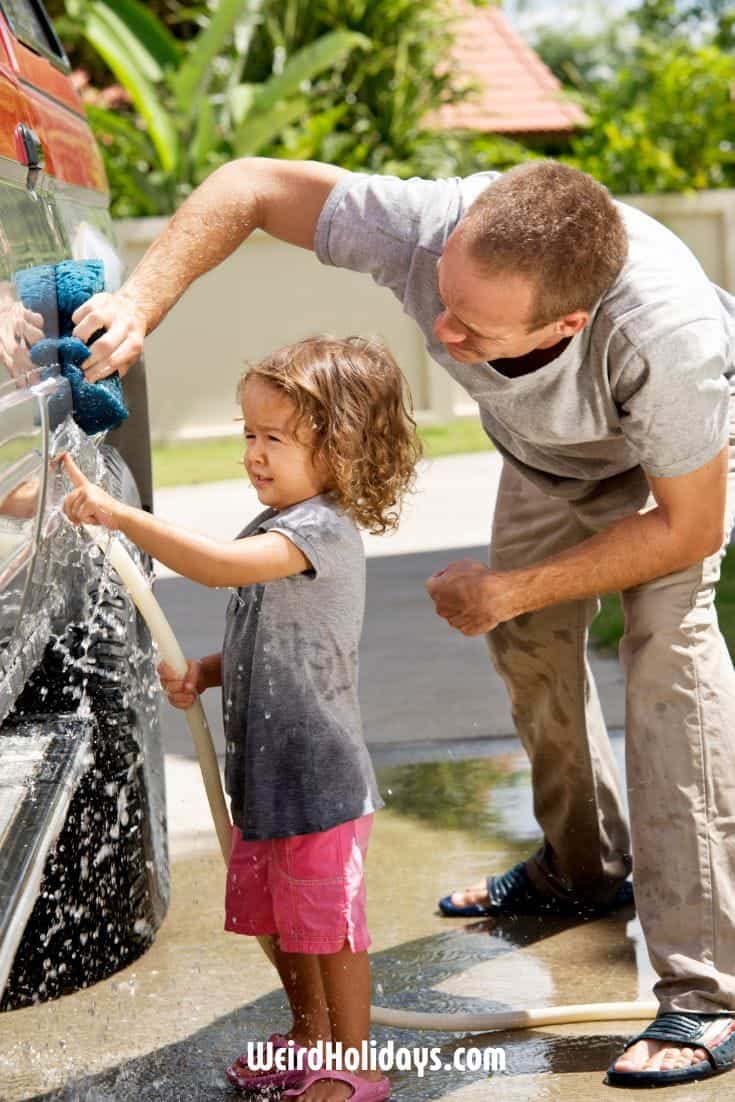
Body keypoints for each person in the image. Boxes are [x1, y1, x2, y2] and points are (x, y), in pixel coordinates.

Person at [68, 157, 735, 1088]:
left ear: (567, 326)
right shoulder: (425, 225)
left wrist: (508, 585)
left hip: (665, 478)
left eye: (474, 325)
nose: (442, 331)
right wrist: (141, 300)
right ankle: (582, 870)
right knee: (529, 647)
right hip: (544, 462)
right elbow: (251, 185)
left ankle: (704, 993)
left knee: (672, 669)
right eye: (443, 299)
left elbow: (688, 525)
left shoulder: (667, 337)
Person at [62, 334, 421, 1102]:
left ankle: (352, 1064)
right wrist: (206, 673)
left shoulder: (318, 530)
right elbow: (273, 639)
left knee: (330, 928)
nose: (254, 454)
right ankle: (307, 1036)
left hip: (320, 780)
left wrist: (121, 516)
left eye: (275, 438)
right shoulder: (275, 526)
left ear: (342, 447)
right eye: (248, 435)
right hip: (267, 776)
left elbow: (214, 570)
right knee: (286, 924)